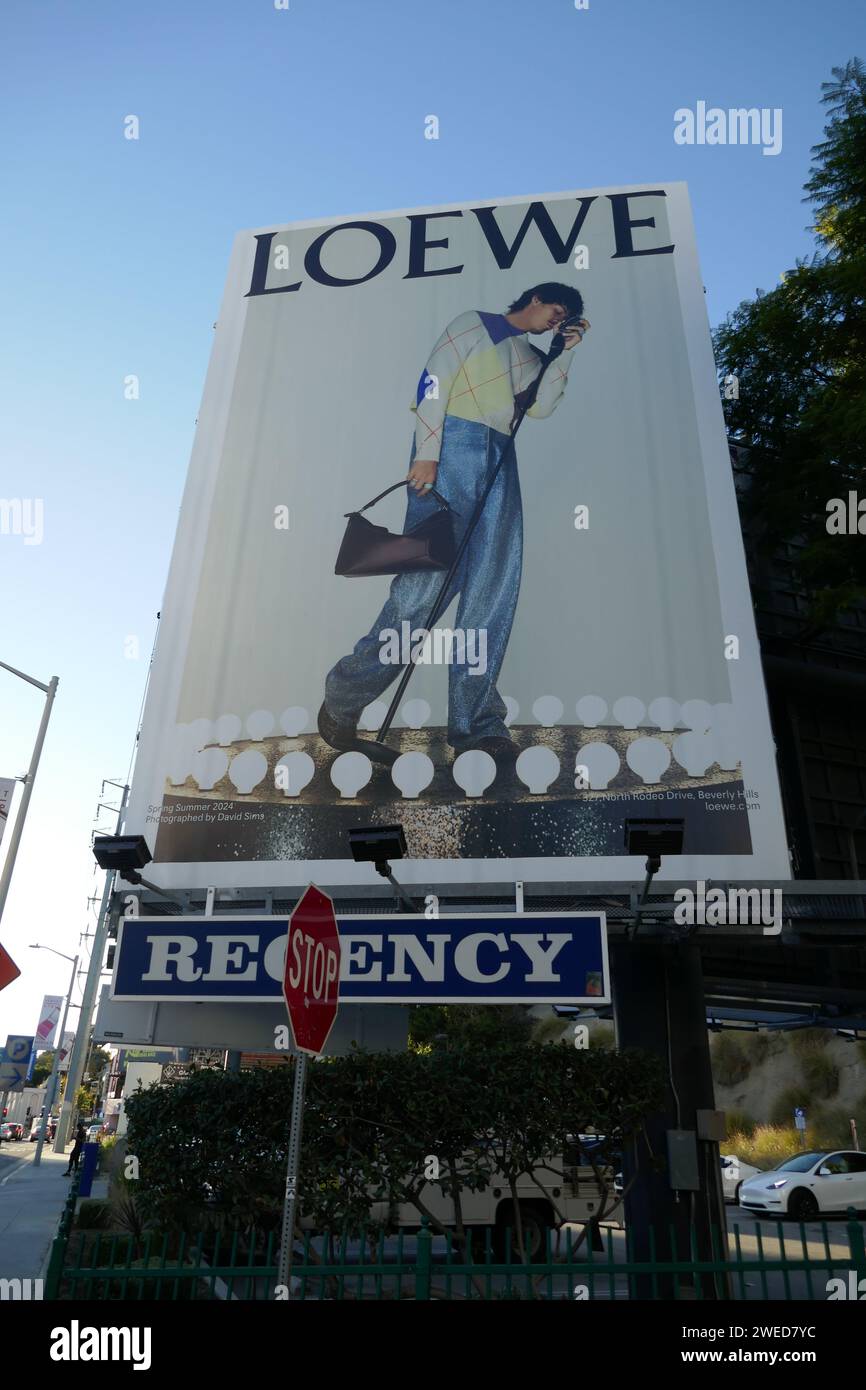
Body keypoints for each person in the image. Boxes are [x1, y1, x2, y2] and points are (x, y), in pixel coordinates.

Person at [320, 283, 589, 763]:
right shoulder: (476, 322)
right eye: (557, 309)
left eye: (565, 317)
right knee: (422, 590)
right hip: (452, 452)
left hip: (500, 460)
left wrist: (563, 354)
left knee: (492, 590)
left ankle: (476, 721)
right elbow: (433, 383)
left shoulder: (531, 354)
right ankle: (344, 698)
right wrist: (427, 454)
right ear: (533, 298)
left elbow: (541, 407)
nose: (557, 318)